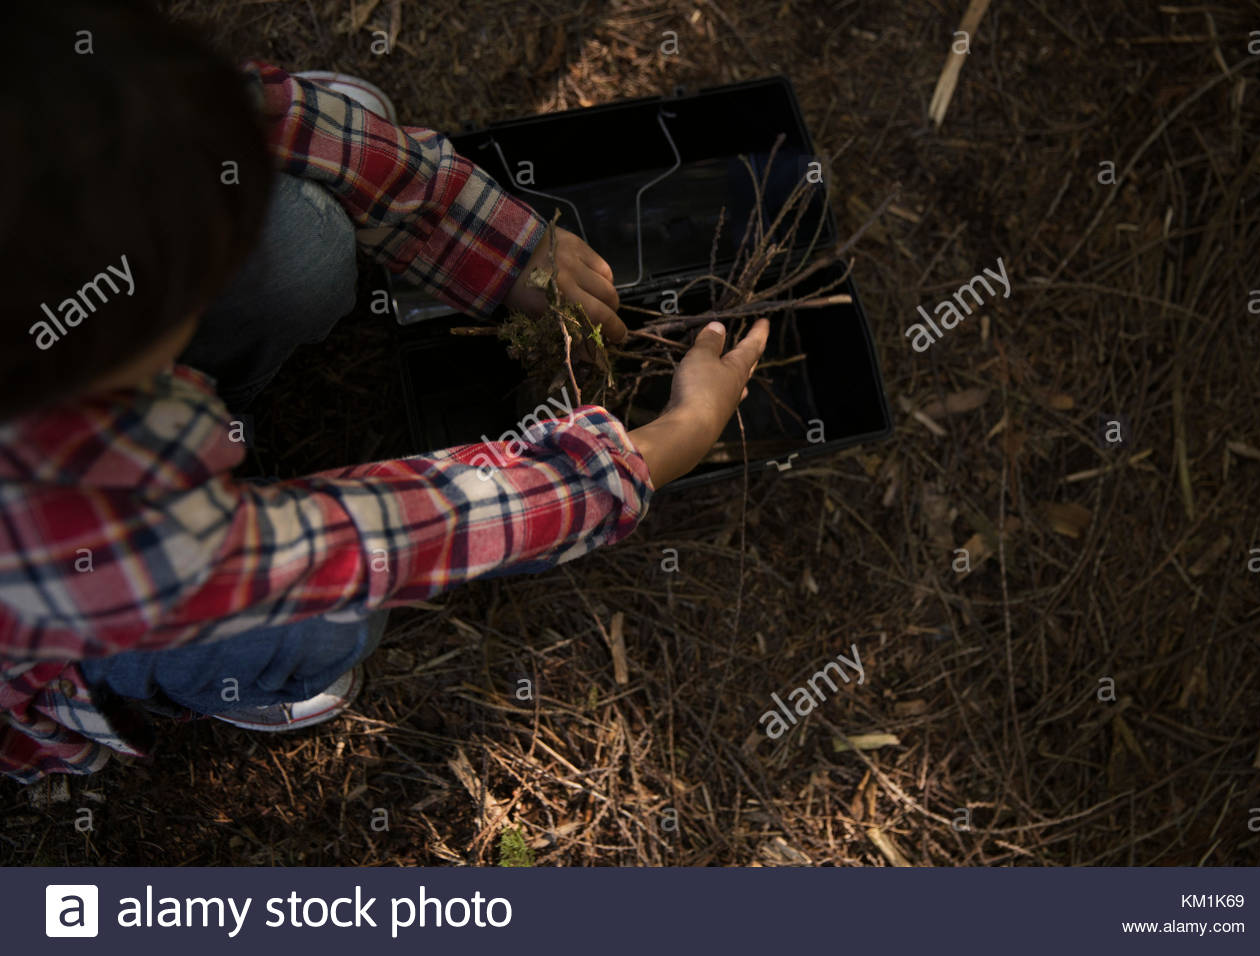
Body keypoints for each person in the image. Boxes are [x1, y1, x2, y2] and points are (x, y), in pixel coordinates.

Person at [0, 0, 768, 783]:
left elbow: (238, 115)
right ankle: (212, 672)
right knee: (315, 621)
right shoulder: (59, 522)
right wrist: (657, 445)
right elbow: (366, 545)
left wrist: (503, 247)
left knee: (301, 237)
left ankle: (222, 404)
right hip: (88, 609)